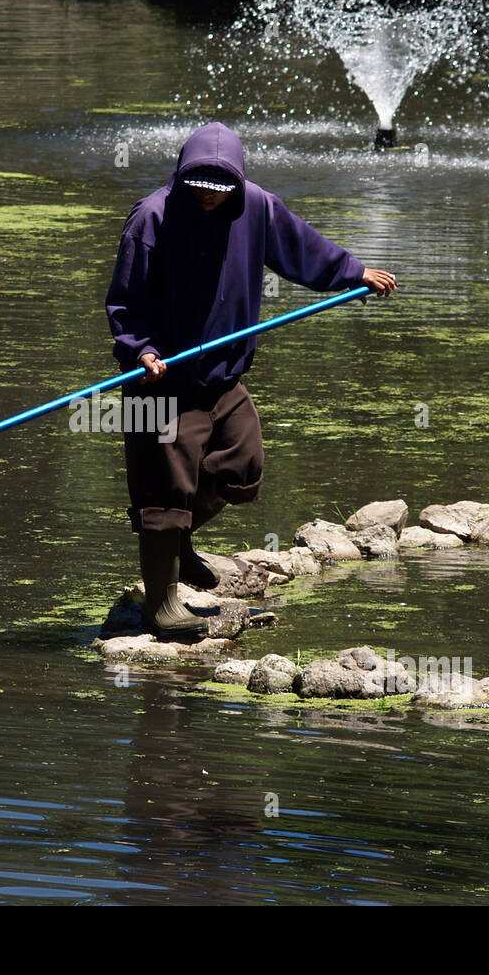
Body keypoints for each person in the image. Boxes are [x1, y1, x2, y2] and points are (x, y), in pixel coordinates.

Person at [105, 121, 397, 635]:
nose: (208, 197)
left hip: (223, 377)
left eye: (220, 189)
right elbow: (126, 303)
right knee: (165, 490)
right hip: (162, 383)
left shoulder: (256, 206)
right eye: (198, 186)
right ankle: (160, 604)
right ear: (182, 177)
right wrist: (141, 351)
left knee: (243, 463)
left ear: (237, 185)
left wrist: (352, 272)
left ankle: (180, 544)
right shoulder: (151, 218)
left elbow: (301, 248)